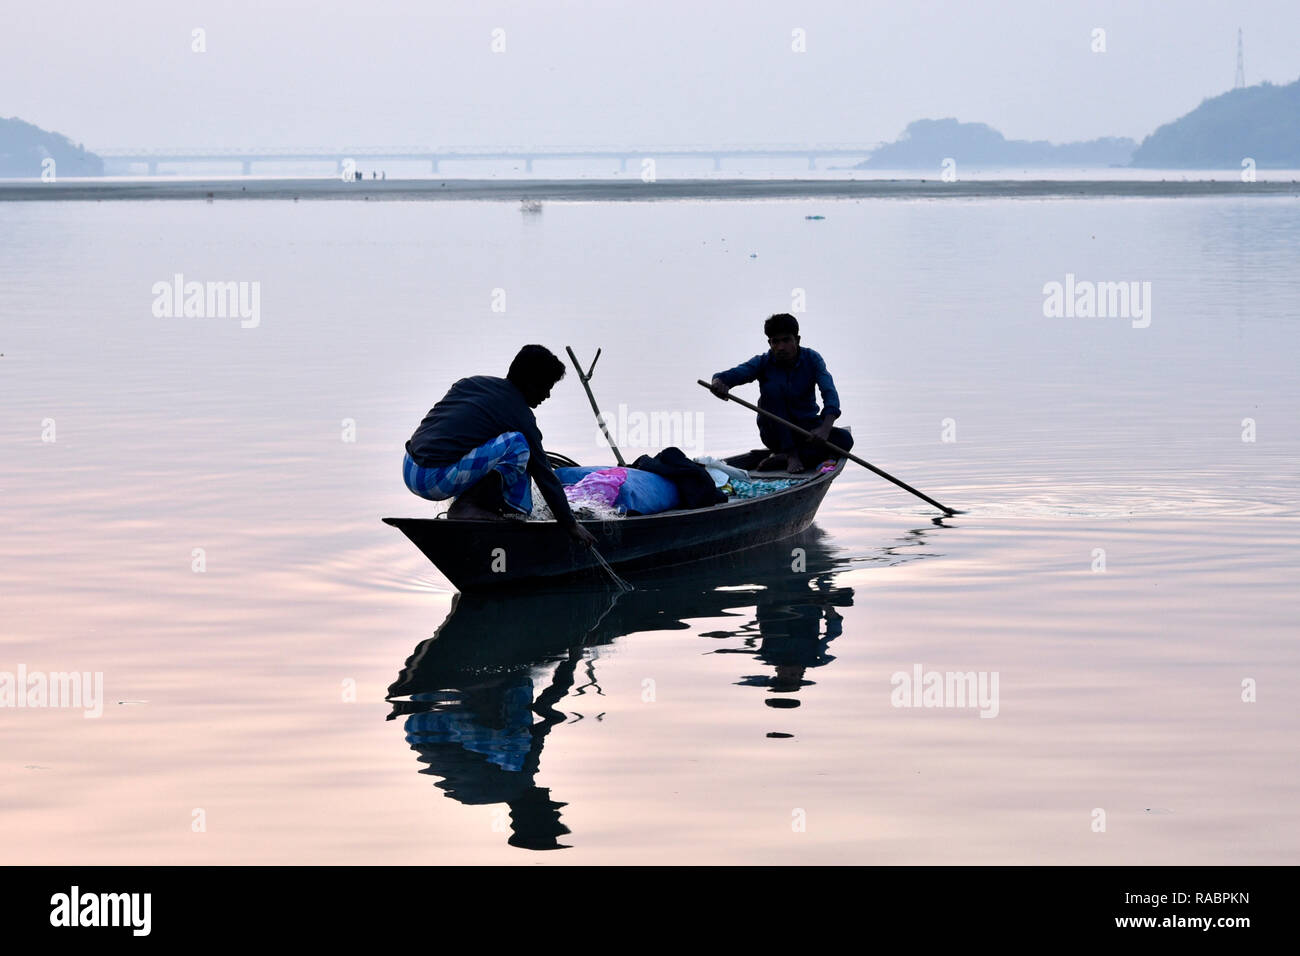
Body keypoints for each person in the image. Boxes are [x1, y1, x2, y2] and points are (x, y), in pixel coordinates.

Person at [403, 345, 598, 548]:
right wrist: (570, 524)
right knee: (519, 445)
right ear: (530, 383)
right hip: (432, 478)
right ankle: (467, 507)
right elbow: (544, 474)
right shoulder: (521, 415)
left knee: (500, 441)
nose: (547, 395)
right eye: (545, 387)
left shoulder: (471, 384)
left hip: (410, 465)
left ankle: (479, 506)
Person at [709, 313, 853, 473]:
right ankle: (790, 454)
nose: (780, 347)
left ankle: (785, 458)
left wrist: (825, 429)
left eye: (786, 340)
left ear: (797, 340)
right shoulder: (763, 362)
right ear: (769, 343)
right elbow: (734, 374)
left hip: (807, 430)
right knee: (771, 391)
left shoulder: (812, 359)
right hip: (776, 434)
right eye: (775, 342)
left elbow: (829, 392)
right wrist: (719, 382)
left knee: (845, 439)